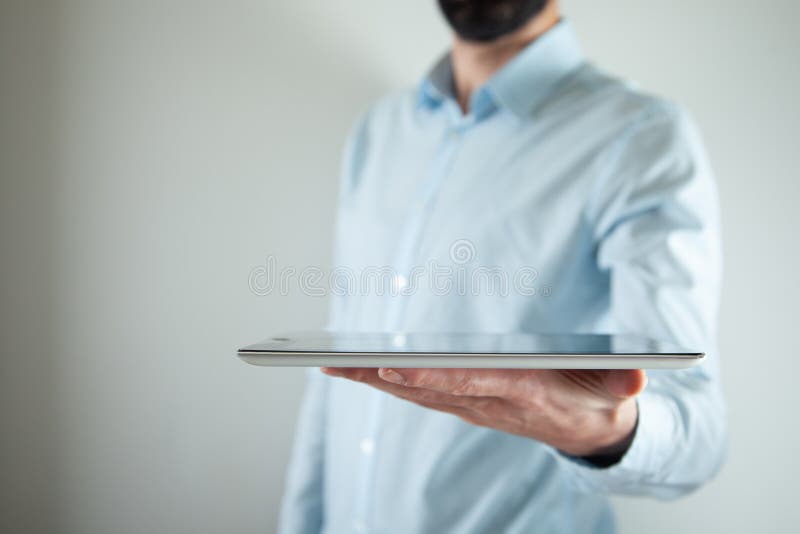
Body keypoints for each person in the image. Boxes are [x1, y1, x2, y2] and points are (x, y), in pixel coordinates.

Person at [279, 1, 726, 532]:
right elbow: (332, 370)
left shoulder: (640, 137)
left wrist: (605, 431)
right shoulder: (379, 131)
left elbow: (699, 429)